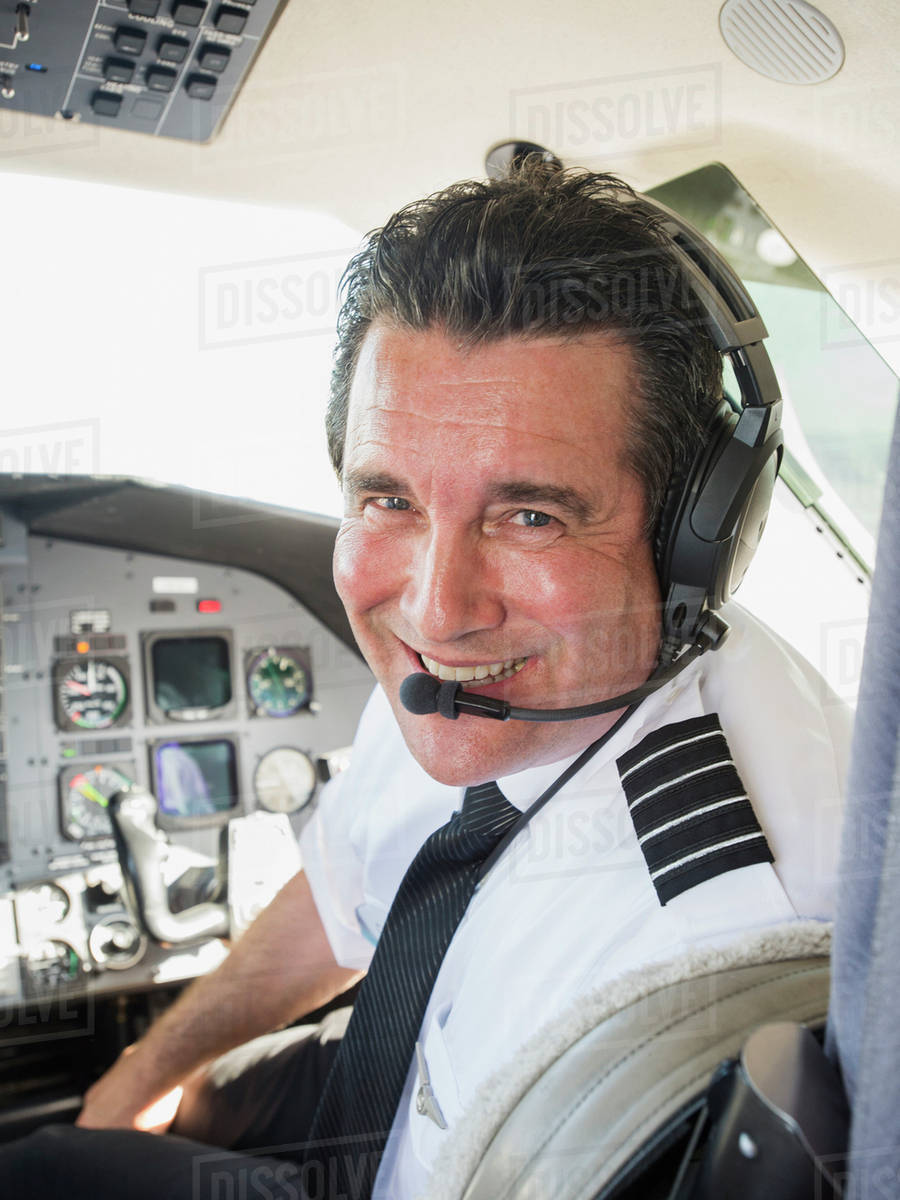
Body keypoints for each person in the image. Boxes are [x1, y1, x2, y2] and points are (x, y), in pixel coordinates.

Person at [0, 164, 849, 1200]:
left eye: (529, 515)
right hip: (398, 1085)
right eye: (388, 498)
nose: (436, 611)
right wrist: (138, 1078)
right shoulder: (484, 672)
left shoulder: (719, 942)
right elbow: (348, 885)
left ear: (692, 545)